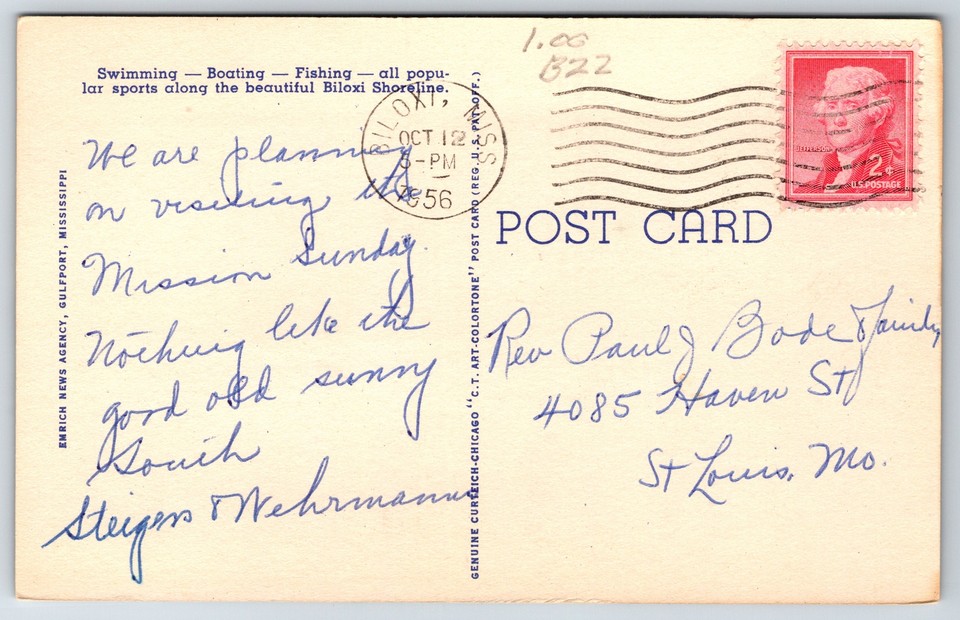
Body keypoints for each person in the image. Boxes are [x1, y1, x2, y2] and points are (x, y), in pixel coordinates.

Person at [804, 66, 905, 194]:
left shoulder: (900, 178)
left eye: (852, 106)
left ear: (878, 116)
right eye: (832, 106)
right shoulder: (807, 191)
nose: (838, 119)